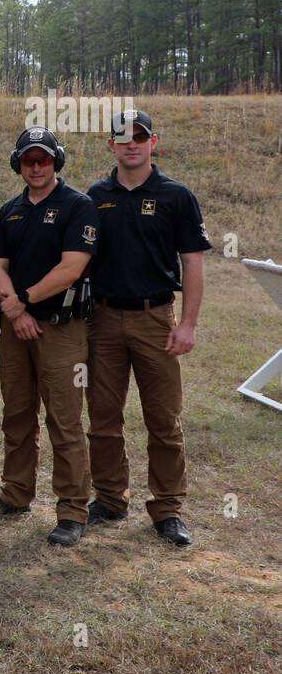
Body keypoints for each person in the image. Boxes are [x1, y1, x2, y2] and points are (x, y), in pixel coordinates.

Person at [84, 109, 210, 547]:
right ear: (111, 146)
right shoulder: (95, 195)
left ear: (153, 142)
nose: (131, 143)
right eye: (123, 137)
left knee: (163, 418)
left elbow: (192, 261)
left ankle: (168, 508)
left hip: (156, 317)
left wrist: (188, 323)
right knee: (102, 416)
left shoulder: (176, 196)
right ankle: (110, 497)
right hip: (101, 318)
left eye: (140, 136)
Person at [0, 126, 98, 546]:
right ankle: (15, 493)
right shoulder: (11, 209)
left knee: (64, 420)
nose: (35, 166)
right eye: (28, 159)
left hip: (61, 329)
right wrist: (15, 311)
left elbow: (72, 268)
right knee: (16, 414)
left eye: (43, 159)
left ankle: (72, 511)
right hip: (17, 327)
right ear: (18, 164)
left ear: (56, 161)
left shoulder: (78, 206)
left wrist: (22, 302)